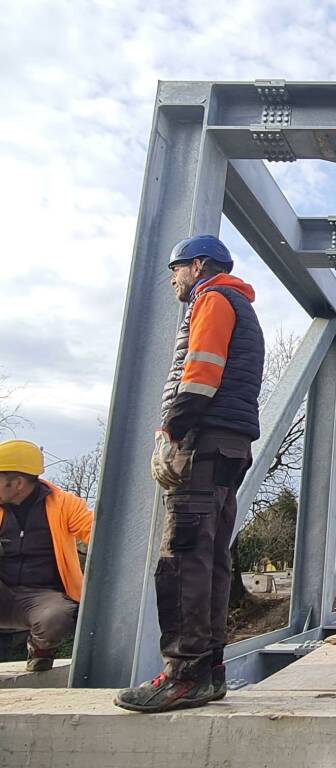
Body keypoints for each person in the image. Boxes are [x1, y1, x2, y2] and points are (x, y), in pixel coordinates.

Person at [115, 235, 264, 713]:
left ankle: (184, 674)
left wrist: (171, 431)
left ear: (198, 265)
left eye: (175, 269)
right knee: (210, 558)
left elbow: (200, 374)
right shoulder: (239, 304)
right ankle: (209, 671)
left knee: (183, 557)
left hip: (204, 443)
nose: (173, 279)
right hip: (228, 446)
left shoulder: (214, 298)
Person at [0, 439, 93, 672]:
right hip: (3, 591)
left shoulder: (66, 505)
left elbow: (100, 535)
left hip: (43, 597)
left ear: (18, 483)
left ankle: (40, 649)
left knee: (56, 617)